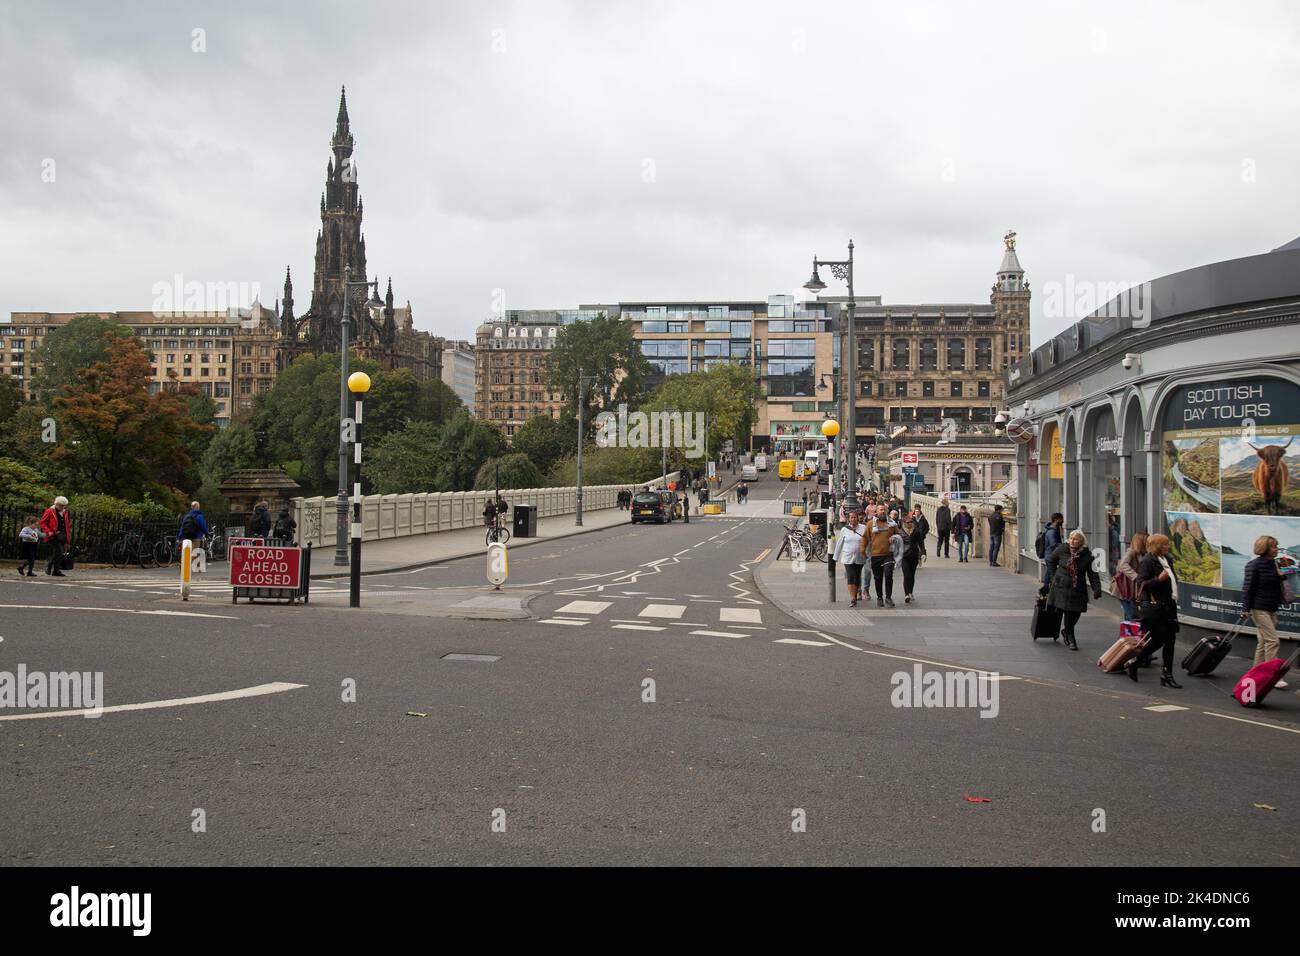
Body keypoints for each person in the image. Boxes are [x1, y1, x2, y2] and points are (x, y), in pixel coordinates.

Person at [1126, 533, 1182, 687]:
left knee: (1169, 640)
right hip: (1155, 608)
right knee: (1160, 640)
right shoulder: (1147, 562)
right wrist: (1158, 579)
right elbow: (1141, 584)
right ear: (1156, 546)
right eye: (1164, 544)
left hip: (1168, 605)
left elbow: (1172, 580)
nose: (1167, 547)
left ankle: (1166, 673)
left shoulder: (1167, 559)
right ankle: (1136, 663)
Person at [1044, 529, 1102, 652]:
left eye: (1075, 539)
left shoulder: (1087, 555)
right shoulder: (1062, 549)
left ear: (1081, 541)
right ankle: (1071, 637)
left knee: (1076, 612)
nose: (1072, 541)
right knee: (1068, 611)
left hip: (1078, 587)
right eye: (1071, 538)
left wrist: (1097, 589)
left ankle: (1066, 631)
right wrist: (1054, 575)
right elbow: (1050, 560)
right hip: (1062, 585)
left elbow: (1093, 574)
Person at [1240, 535, 1286, 688]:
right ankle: (1272, 676)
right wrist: (1246, 609)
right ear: (1265, 548)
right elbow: (1247, 589)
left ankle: (1255, 672)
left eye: (1276, 546)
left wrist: (1282, 577)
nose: (1276, 549)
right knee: (1273, 641)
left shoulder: (1274, 564)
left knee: (1263, 641)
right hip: (1259, 609)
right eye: (1274, 547)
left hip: (1271, 607)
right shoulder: (1253, 565)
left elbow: (1275, 585)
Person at [861, 504, 897, 608]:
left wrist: (894, 537)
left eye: (884, 510)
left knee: (889, 574)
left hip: (888, 555)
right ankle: (880, 597)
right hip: (876, 555)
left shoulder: (892, 524)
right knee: (878, 577)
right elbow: (864, 538)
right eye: (881, 510)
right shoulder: (870, 524)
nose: (883, 511)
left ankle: (888, 597)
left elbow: (899, 536)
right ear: (876, 512)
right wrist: (862, 550)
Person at [1109, 531, 1147, 621]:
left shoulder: (1142, 553)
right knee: (1131, 614)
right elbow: (1123, 565)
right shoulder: (1131, 552)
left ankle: (1126, 633)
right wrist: (1136, 576)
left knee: (1129, 613)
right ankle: (1128, 633)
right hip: (1124, 587)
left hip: (1130, 587)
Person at [833, 511, 867, 607]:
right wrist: (835, 557)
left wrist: (867, 553)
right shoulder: (844, 529)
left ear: (857, 518)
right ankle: (852, 598)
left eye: (855, 517)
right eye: (851, 517)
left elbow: (867, 541)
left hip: (859, 557)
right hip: (847, 557)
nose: (853, 519)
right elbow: (840, 543)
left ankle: (855, 595)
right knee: (851, 576)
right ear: (849, 519)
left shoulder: (863, 528)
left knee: (857, 577)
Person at [40, 495, 72, 576]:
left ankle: (55, 571)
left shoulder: (65, 512)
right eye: (61, 505)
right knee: (59, 552)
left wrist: (68, 540)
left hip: (62, 536)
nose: (63, 507)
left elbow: (66, 526)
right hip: (52, 536)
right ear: (56, 504)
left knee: (59, 553)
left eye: (64, 505)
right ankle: (50, 566)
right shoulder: (50, 511)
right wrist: (49, 531)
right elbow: (43, 523)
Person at [900, 515, 925, 603]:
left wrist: (923, 553)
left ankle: (910, 592)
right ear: (904, 523)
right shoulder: (901, 532)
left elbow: (921, 543)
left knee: (912, 575)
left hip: (914, 556)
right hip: (905, 556)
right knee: (906, 575)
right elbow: (897, 545)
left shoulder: (916, 531)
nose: (910, 524)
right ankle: (906, 594)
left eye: (911, 522)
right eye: (908, 522)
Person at [1041, 513, 1065, 583]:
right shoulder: (1052, 531)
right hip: (1051, 556)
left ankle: (1044, 590)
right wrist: (1065, 546)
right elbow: (1054, 544)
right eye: (1061, 519)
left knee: (1049, 574)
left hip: (1051, 556)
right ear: (1056, 519)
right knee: (1053, 576)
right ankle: (1050, 591)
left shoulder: (1054, 529)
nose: (1063, 521)